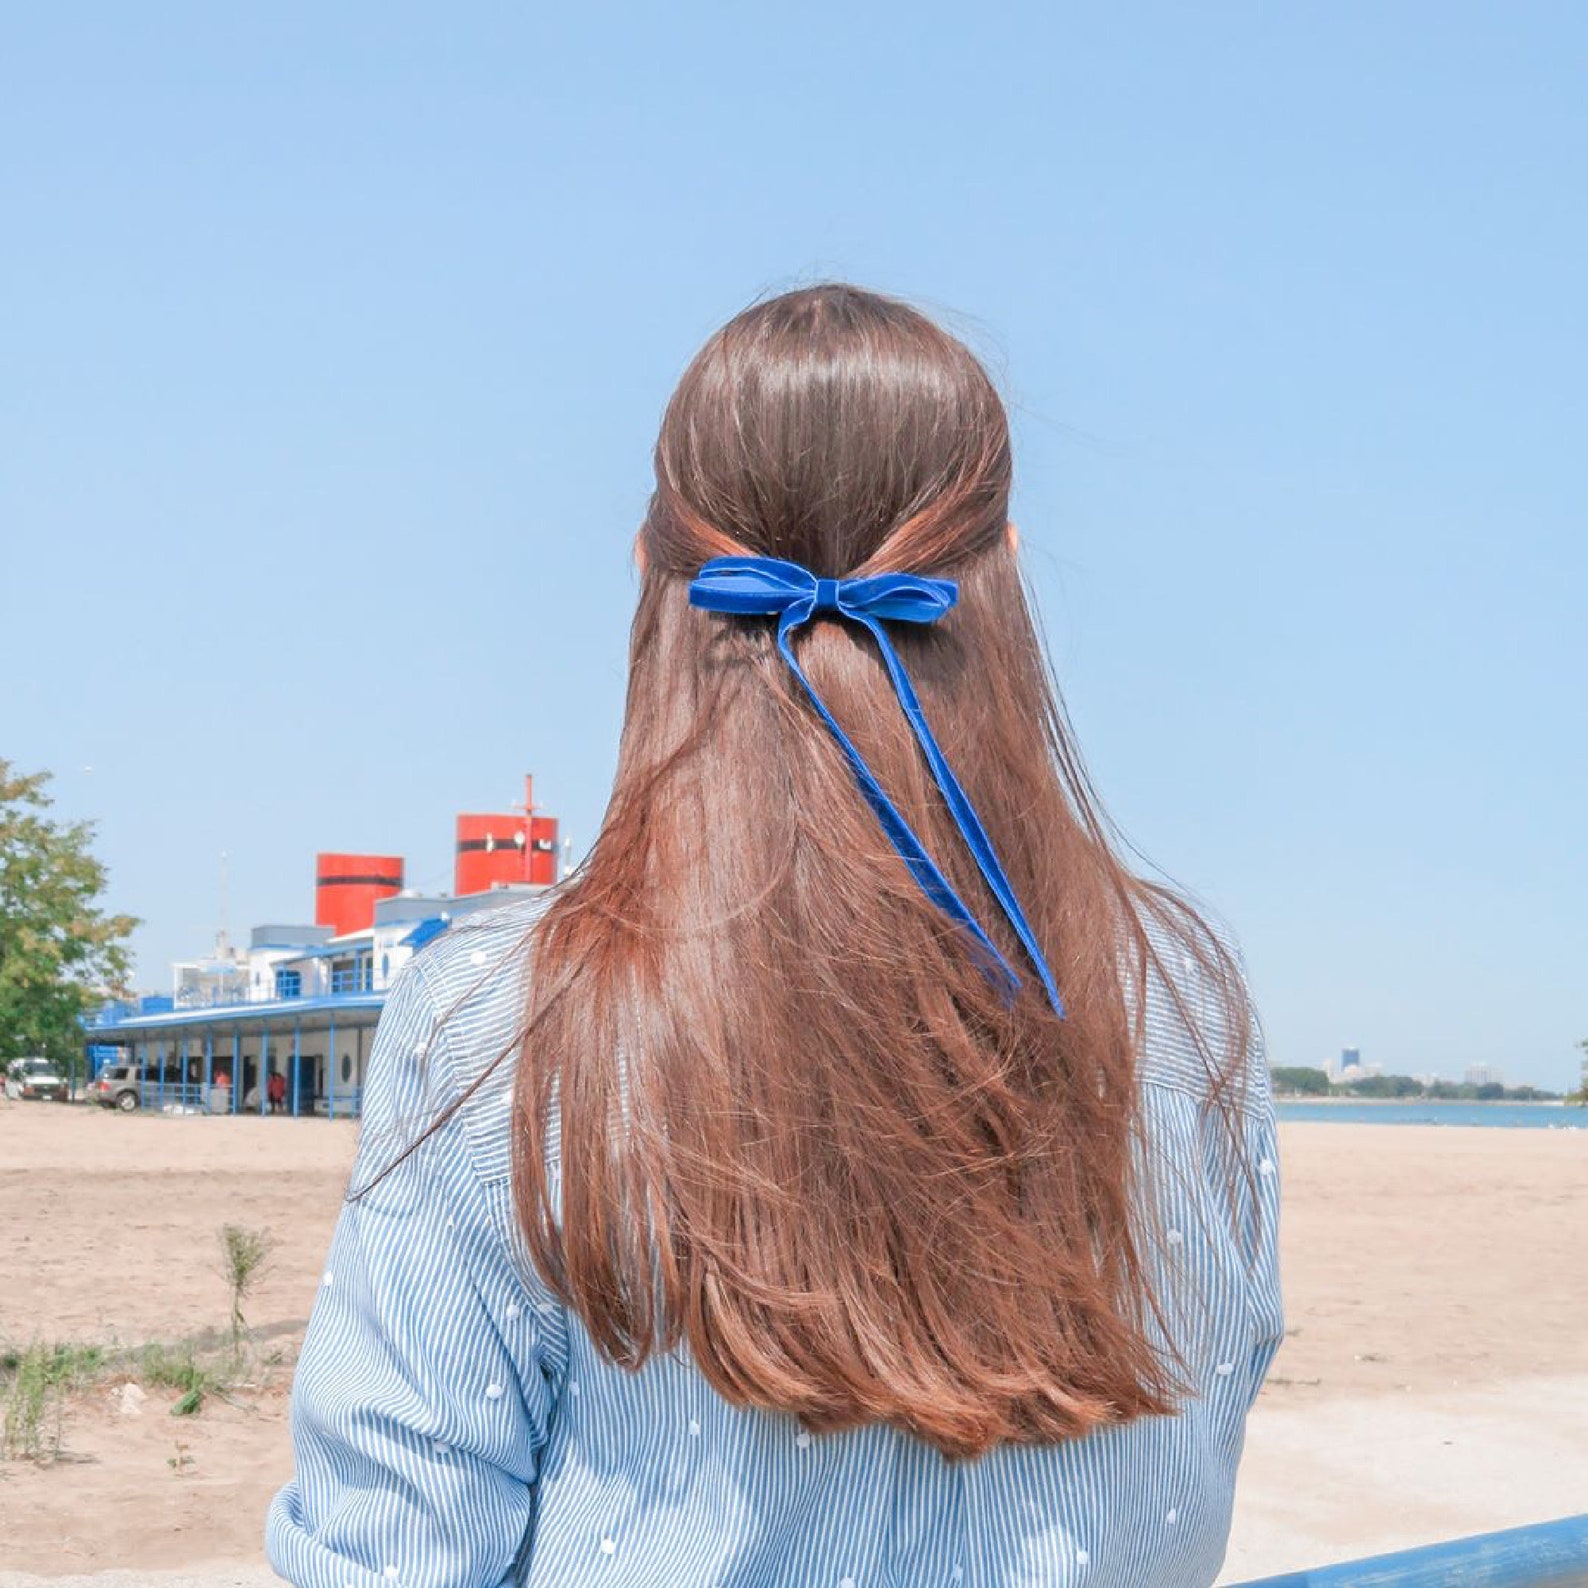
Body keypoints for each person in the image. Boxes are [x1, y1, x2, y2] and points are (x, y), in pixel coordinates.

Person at [267, 285, 1282, 1587]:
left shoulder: (498, 1013)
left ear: (651, 576)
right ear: (1008, 573)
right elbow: (1208, 1432)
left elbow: (389, 1555)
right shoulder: (1184, 1003)